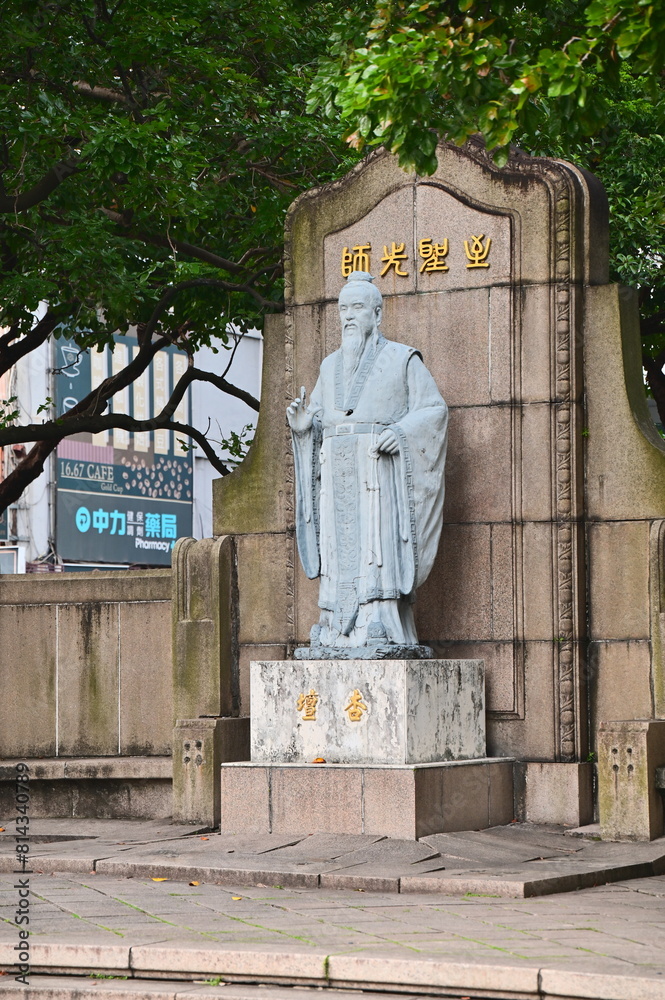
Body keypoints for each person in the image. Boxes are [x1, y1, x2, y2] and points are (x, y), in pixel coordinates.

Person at [287, 271, 448, 656]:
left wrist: (404, 432)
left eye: (357, 308)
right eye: (342, 308)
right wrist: (305, 428)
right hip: (338, 473)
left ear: (377, 313)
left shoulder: (402, 358)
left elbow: (433, 410)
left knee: (376, 548)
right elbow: (323, 417)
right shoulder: (329, 367)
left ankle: (380, 620)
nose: (348, 317)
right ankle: (334, 626)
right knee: (338, 551)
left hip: (377, 473)